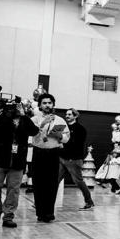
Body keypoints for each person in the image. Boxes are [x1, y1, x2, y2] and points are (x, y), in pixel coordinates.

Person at [0, 99, 39, 228]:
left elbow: (34, 132)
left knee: (13, 190)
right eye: (8, 108)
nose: (11, 110)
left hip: (18, 161)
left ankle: (8, 216)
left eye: (14, 107)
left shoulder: (24, 119)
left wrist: (24, 116)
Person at [31, 93, 70, 223]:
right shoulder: (35, 119)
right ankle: (40, 213)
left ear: (53, 104)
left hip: (53, 153)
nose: (47, 105)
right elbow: (31, 133)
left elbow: (66, 138)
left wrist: (60, 136)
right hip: (39, 152)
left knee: (52, 183)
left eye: (49, 103)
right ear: (40, 105)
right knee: (38, 183)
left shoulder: (60, 120)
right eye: (44, 103)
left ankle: (49, 213)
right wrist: (43, 124)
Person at [59, 108, 94, 209]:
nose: (67, 116)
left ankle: (89, 201)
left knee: (78, 182)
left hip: (73, 159)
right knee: (54, 181)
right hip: (62, 158)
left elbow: (77, 144)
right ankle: (44, 202)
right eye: (66, 114)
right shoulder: (63, 127)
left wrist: (63, 144)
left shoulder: (80, 129)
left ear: (75, 116)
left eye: (69, 114)